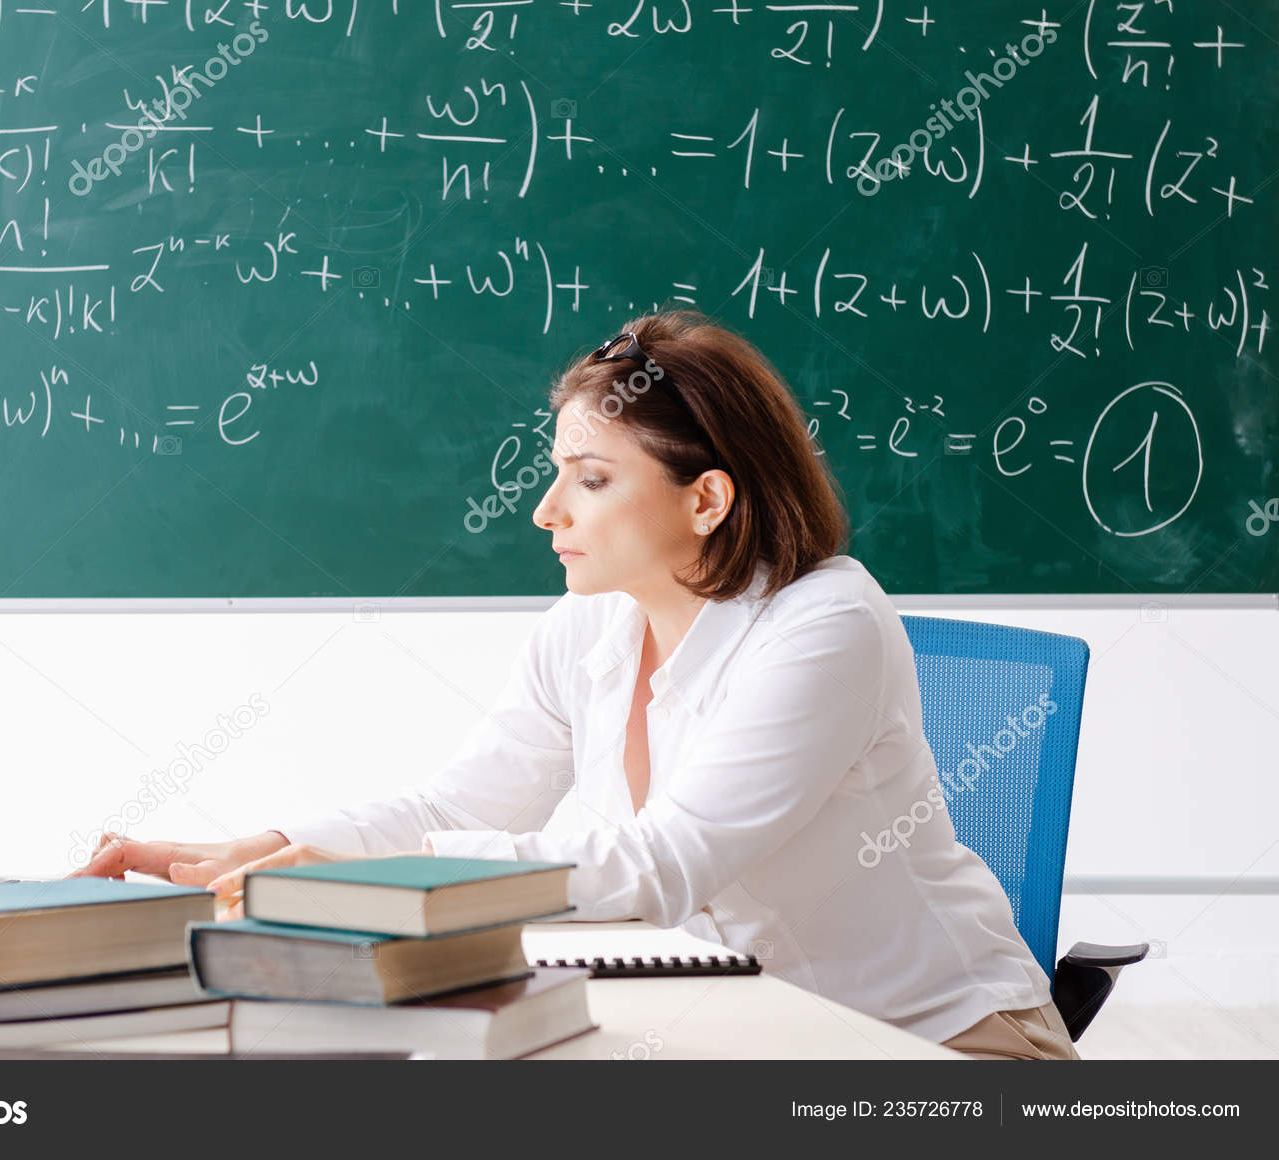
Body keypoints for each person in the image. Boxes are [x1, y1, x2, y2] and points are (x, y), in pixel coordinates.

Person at [72, 310, 1078, 1060]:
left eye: (590, 479)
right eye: (555, 472)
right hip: (757, 1024)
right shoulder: (594, 620)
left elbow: (663, 861)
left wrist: (383, 879)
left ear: (707, 496)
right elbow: (459, 802)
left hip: (946, 1045)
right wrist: (291, 846)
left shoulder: (826, 624)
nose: (547, 509)